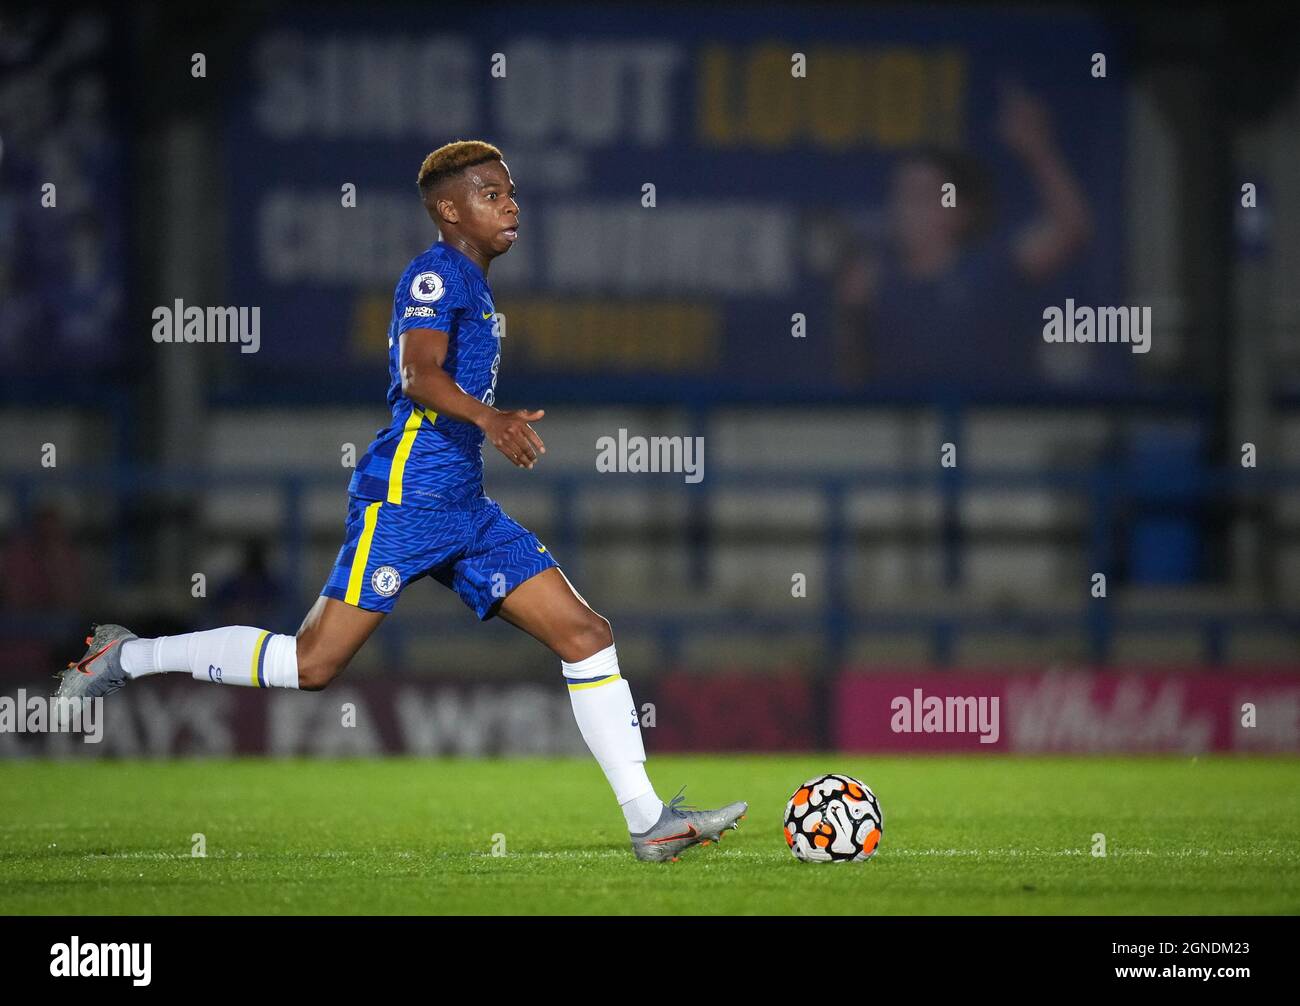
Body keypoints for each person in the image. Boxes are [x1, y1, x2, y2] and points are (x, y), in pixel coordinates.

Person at [58, 140, 746, 862]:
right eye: (490, 194)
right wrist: (489, 418)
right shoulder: (434, 274)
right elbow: (419, 376)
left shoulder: (473, 283)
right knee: (312, 665)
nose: (510, 204)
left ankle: (649, 823)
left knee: (587, 635)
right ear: (450, 210)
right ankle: (126, 655)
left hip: (466, 508)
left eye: (510, 191)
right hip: (408, 503)